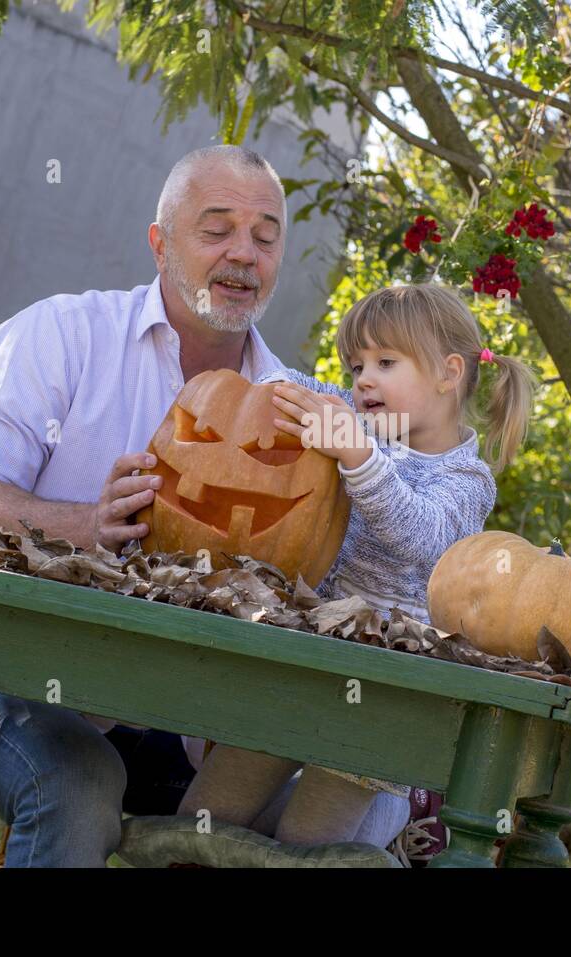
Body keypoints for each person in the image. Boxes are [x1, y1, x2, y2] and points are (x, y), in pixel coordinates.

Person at [0, 145, 404, 866]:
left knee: (364, 806)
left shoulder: (306, 411)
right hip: (8, 676)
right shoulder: (63, 336)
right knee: (78, 782)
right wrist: (84, 524)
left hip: (191, 723)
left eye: (265, 237)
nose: (244, 254)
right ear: (160, 241)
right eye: (217, 229)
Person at [177, 283, 537, 845]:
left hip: (385, 692)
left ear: (448, 373)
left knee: (313, 838)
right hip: (308, 658)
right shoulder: (364, 425)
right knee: (206, 811)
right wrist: (271, 390)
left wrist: (359, 457)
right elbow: (301, 387)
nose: (362, 379)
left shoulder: (467, 481)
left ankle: (392, 821)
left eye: (385, 362)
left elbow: (420, 534)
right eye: (356, 364)